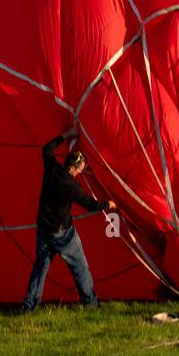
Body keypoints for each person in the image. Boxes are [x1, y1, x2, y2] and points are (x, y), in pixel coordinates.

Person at [20, 127, 116, 313]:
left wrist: (66, 135)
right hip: (63, 235)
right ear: (72, 168)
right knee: (80, 268)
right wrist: (108, 205)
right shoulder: (72, 187)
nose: (81, 172)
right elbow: (90, 204)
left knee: (40, 269)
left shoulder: (52, 169)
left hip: (43, 231)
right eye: (80, 169)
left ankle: (29, 307)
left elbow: (46, 148)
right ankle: (90, 303)